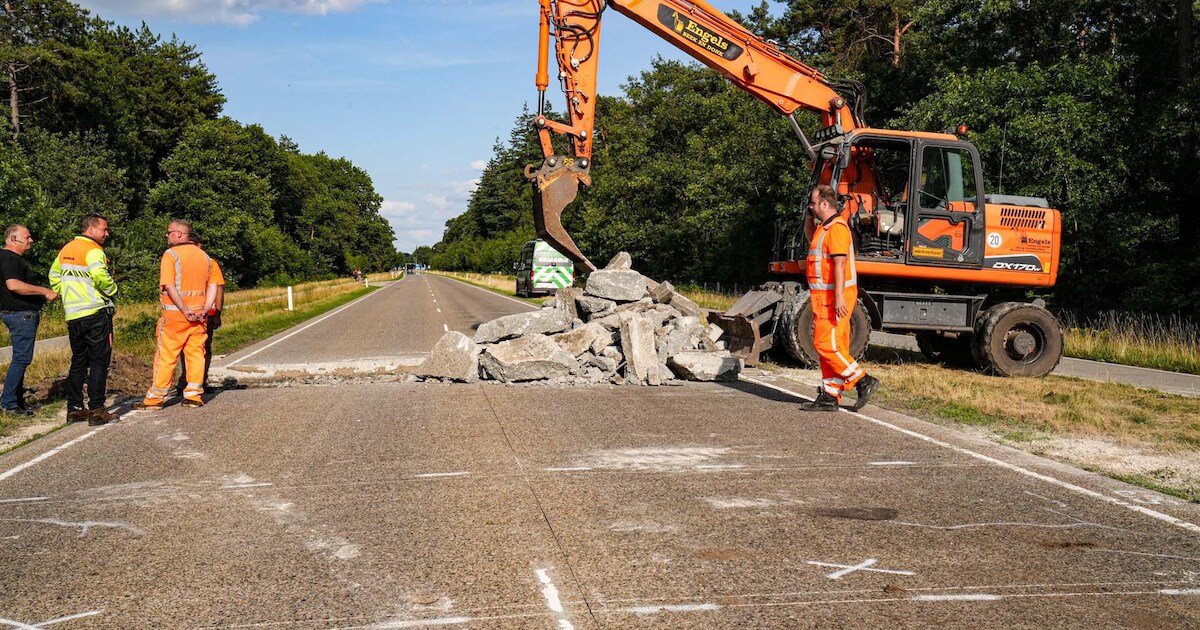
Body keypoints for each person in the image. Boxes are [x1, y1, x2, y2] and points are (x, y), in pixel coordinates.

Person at [800, 185, 880, 412]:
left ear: (824, 204)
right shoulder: (824, 228)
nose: (811, 207)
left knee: (825, 345)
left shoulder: (836, 229)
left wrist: (838, 298)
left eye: (814, 204)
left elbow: (839, 264)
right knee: (835, 347)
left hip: (834, 298)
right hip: (824, 297)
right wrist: (808, 219)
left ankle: (863, 380)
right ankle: (830, 395)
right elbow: (812, 241)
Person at [135, 220, 217, 410]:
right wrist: (205, 309)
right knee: (196, 354)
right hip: (199, 317)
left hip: (175, 316)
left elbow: (169, 286)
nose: (167, 235)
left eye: (169, 232)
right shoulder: (205, 257)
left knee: (166, 356)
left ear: (179, 234)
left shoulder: (170, 255)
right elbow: (212, 286)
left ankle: (155, 398)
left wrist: (184, 309)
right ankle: (194, 395)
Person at [49, 214, 119, 425]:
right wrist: (112, 291)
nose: (107, 234)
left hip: (73, 313)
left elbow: (53, 275)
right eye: (104, 230)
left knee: (79, 361)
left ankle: (75, 408)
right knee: (99, 361)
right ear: (90, 229)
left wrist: (69, 294)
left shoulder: (66, 249)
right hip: (95, 312)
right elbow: (99, 275)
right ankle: (97, 409)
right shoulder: (94, 251)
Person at [1, 225, 59, 417]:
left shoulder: (5, 258)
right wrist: (45, 291)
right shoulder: (10, 259)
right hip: (21, 315)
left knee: (21, 358)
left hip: (15, 313)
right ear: (13, 239)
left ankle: (16, 402)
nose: (31, 241)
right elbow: (14, 285)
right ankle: (9, 404)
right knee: (22, 358)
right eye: (27, 237)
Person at [176, 232, 224, 394]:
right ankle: (194, 381)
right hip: (198, 313)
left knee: (192, 348)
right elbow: (219, 289)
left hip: (193, 313)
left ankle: (192, 380)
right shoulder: (208, 263)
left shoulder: (179, 262)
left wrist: (216, 313)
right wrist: (217, 313)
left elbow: (218, 289)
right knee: (200, 348)